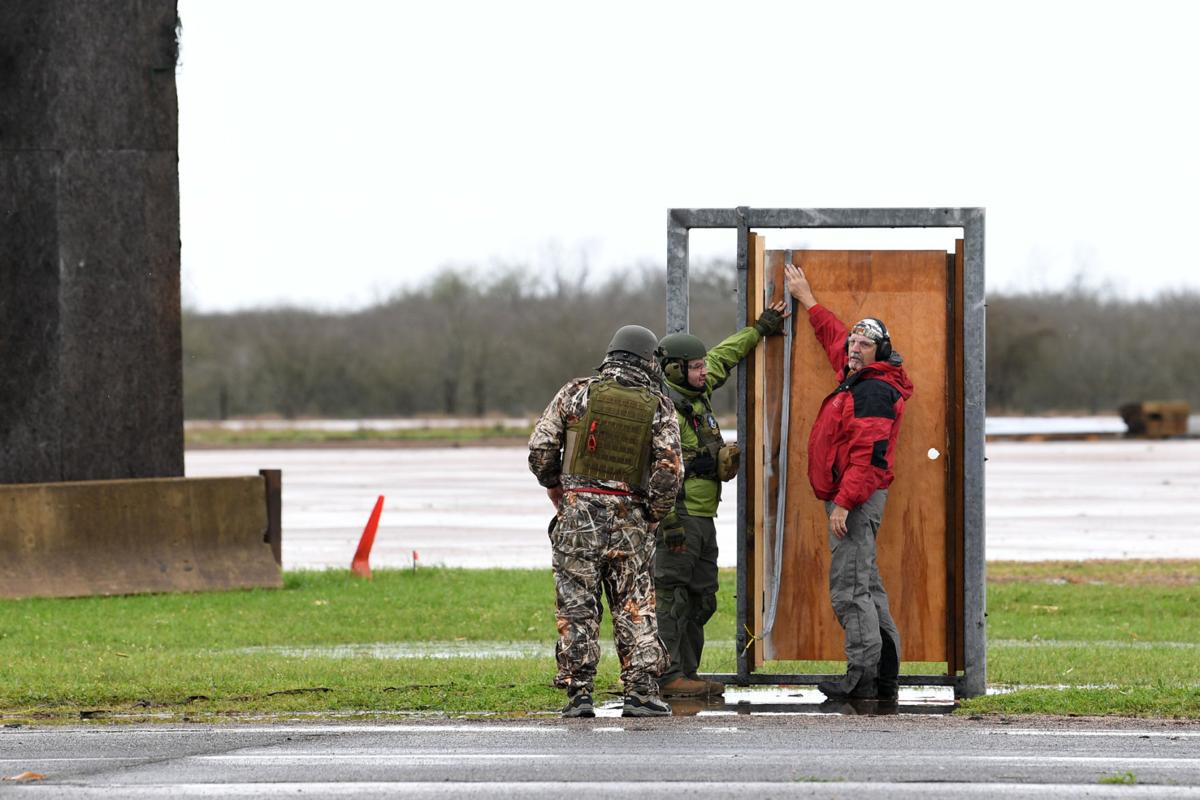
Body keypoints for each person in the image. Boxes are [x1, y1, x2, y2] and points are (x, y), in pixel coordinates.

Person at [528, 324, 684, 718]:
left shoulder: (575, 393)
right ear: (648, 361)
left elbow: (541, 448)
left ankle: (579, 694)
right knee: (635, 605)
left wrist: (557, 489)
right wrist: (653, 515)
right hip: (630, 520)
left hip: (578, 518)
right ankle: (642, 693)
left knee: (577, 606)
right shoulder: (660, 405)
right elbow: (669, 471)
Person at [784, 260, 913, 703]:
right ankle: (885, 678)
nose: (853, 347)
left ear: (881, 351)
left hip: (855, 502)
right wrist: (809, 301)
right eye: (854, 341)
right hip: (852, 499)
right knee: (868, 586)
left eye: (863, 343)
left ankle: (861, 680)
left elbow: (868, 458)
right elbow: (834, 337)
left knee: (849, 590)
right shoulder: (861, 371)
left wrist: (843, 502)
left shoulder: (874, 390)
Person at [652, 299, 789, 698]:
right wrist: (671, 521)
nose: (703, 371)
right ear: (675, 369)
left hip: (703, 517)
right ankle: (667, 675)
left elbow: (725, 355)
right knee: (672, 597)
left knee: (702, 598)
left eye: (701, 366)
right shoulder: (664, 409)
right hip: (678, 518)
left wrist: (761, 328)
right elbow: (658, 470)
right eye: (695, 367)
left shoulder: (697, 391)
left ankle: (686, 674)